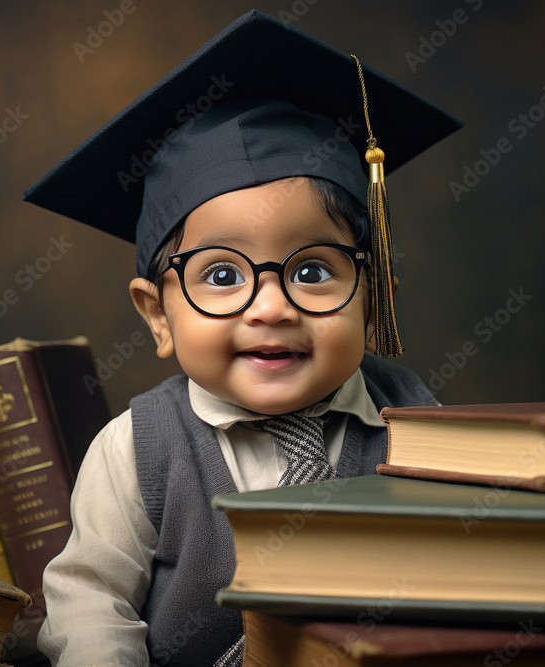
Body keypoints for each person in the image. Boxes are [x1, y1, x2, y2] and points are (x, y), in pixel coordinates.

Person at [23, 9, 461, 666]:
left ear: (372, 291)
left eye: (312, 271)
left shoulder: (418, 424)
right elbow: (90, 599)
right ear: (158, 315)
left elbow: (465, 570)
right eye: (223, 275)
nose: (273, 306)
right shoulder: (136, 449)